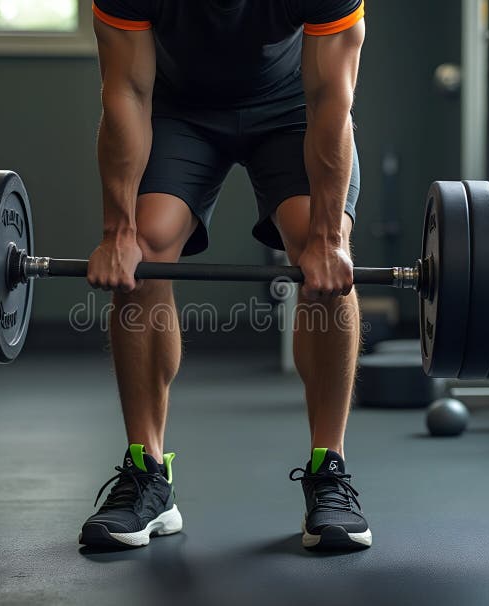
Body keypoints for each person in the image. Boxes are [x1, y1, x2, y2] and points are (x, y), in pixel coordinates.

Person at [80, 0, 369, 551]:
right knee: (144, 247)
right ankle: (147, 474)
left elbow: (331, 96)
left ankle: (328, 471)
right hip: (176, 109)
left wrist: (330, 240)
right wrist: (117, 232)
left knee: (320, 253)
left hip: (293, 107)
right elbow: (126, 92)